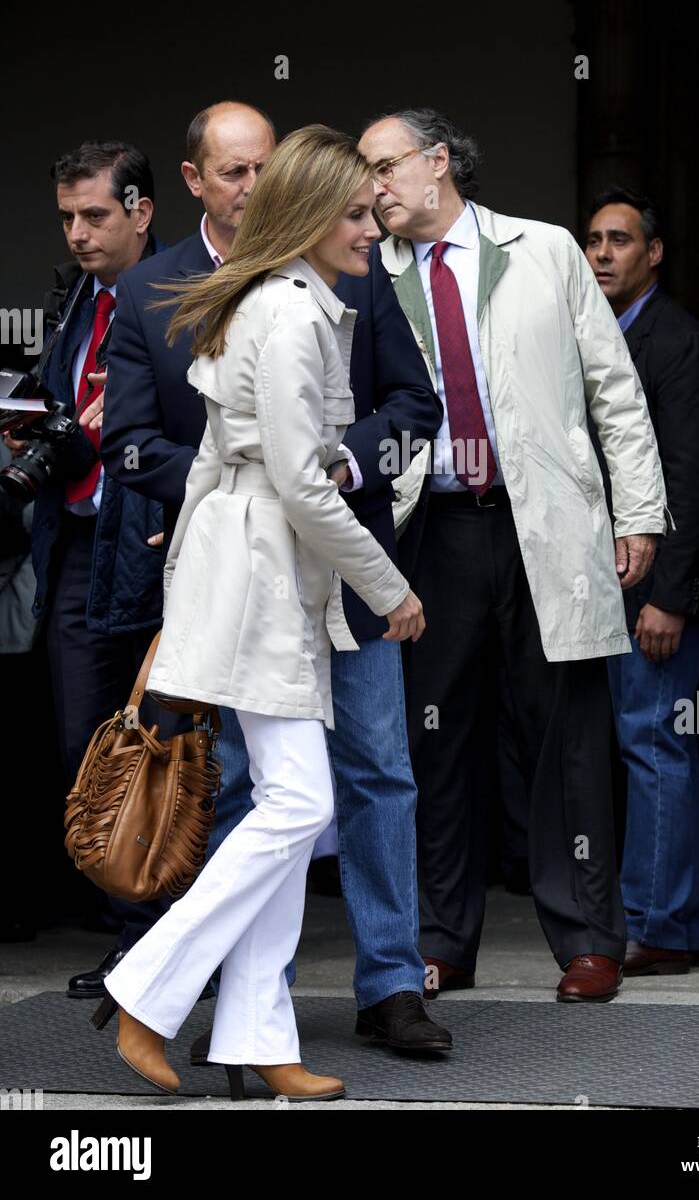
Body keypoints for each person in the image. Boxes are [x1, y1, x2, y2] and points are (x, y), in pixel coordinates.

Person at [101, 101, 450, 1054]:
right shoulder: (197, 297)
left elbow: (414, 407)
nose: (374, 235)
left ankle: (341, 1005)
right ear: (197, 181)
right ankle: (202, 997)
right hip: (265, 577)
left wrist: (337, 468)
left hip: (324, 568)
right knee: (272, 796)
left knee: (355, 782)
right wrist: (262, 503)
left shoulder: (333, 284)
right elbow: (150, 452)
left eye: (265, 170)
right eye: (236, 172)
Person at [359, 109, 669, 1004]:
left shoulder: (544, 250)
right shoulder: (365, 274)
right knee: (432, 743)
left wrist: (638, 510)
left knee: (565, 740)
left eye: (386, 167)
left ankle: (587, 941)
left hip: (545, 530)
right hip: (431, 534)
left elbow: (613, 385)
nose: (372, 189)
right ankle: (441, 940)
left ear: (439, 163)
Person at [1, 141, 190, 982]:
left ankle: (184, 941)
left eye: (95, 216)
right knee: (89, 743)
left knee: (173, 743)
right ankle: (134, 934)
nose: (78, 233)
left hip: (160, 542)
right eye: (68, 217)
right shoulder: (76, 297)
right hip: (77, 541)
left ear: (142, 211)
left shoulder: (188, 292)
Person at [584, 186, 699, 976]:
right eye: (594, 240)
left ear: (654, 252)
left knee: (654, 742)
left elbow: (696, 482)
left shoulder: (679, 343)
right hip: (601, 583)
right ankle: (632, 916)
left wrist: (670, 596)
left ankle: (665, 928)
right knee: (627, 744)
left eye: (620, 240)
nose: (603, 253)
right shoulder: (595, 336)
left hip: (659, 587)